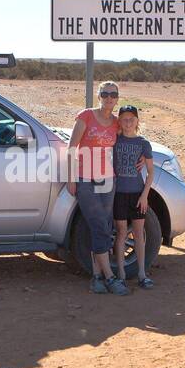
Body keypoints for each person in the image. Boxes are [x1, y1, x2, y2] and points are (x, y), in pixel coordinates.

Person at [66, 82, 130, 295]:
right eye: (105, 94)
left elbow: (127, 141)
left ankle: (96, 277)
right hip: (86, 178)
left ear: (117, 98)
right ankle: (110, 278)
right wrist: (71, 178)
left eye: (113, 94)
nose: (109, 98)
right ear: (99, 95)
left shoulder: (115, 123)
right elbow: (71, 148)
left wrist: (142, 158)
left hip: (108, 179)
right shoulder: (86, 116)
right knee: (99, 226)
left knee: (103, 226)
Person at [112, 104, 155, 288]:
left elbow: (151, 172)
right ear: (119, 122)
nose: (128, 122)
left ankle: (142, 273)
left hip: (137, 194)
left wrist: (145, 196)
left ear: (137, 121)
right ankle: (121, 273)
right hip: (119, 194)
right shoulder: (115, 140)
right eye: (124, 119)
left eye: (132, 119)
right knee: (121, 232)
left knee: (138, 233)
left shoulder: (143, 143)